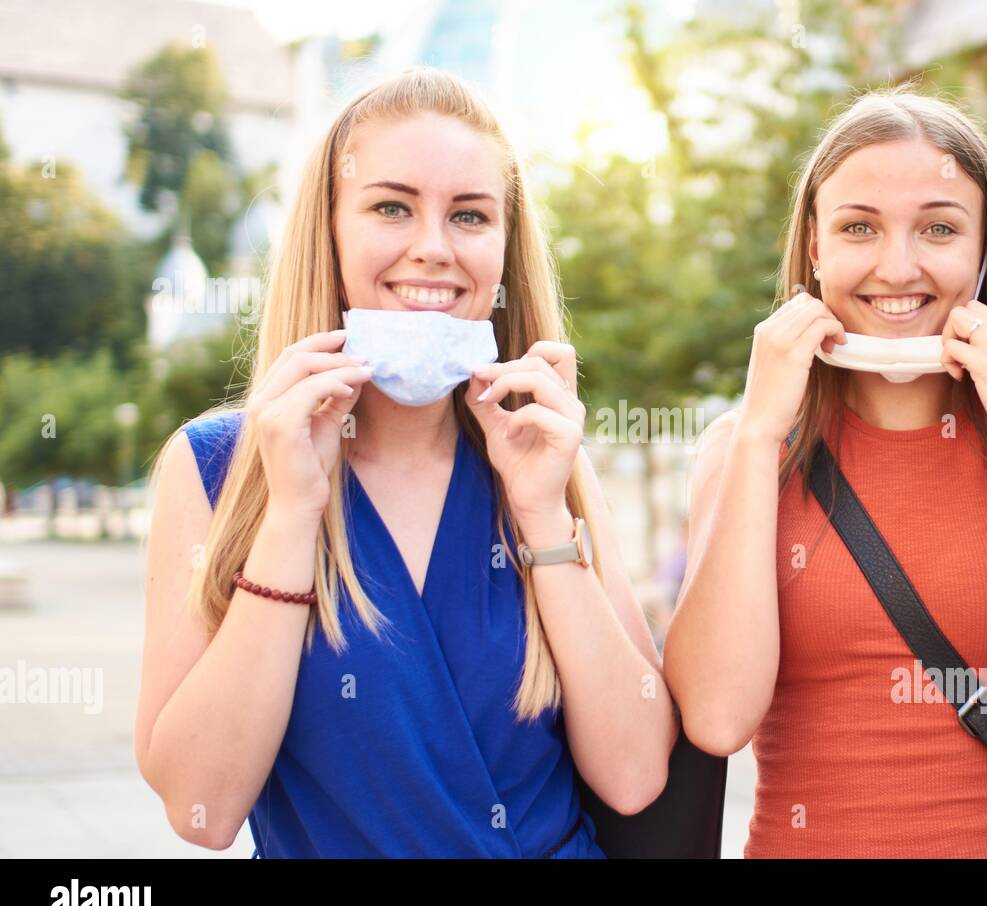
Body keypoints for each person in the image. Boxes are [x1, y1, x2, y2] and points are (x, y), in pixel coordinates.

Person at [134, 68, 675, 858]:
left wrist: (541, 515)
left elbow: (633, 775)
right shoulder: (214, 467)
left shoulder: (542, 457)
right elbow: (201, 810)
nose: (433, 247)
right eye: (392, 207)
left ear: (502, 249)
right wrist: (291, 513)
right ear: (331, 233)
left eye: (469, 215)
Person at [664, 85, 987, 858]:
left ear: (984, 250)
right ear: (813, 246)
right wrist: (760, 432)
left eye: (938, 228)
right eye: (859, 227)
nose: (897, 267)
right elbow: (716, 717)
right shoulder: (745, 449)